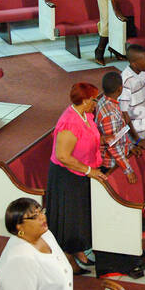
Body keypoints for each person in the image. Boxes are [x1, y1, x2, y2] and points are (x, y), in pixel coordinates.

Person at [46, 82, 106, 273]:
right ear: (85, 100)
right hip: (67, 177)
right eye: (94, 99)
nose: (96, 102)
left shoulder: (86, 115)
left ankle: (79, 250)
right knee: (69, 217)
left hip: (82, 171)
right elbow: (63, 156)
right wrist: (89, 171)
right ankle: (67, 255)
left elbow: (89, 137)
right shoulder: (69, 122)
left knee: (80, 215)